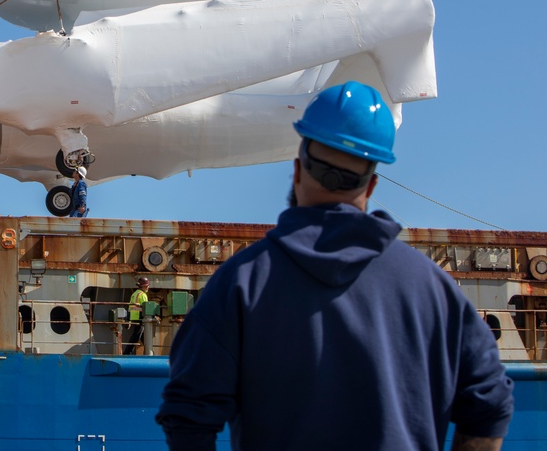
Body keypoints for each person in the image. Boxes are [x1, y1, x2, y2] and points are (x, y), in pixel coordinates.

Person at [156, 81, 513, 451]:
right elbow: (490, 402)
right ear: (372, 184)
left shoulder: (241, 283)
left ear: (298, 168)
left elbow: (188, 415)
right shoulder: (433, 289)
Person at [124, 276, 150, 355]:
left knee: (143, 337)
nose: (148, 287)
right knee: (136, 336)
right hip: (140, 317)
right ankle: (127, 352)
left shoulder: (134, 294)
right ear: (144, 286)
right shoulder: (142, 295)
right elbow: (145, 307)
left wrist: (128, 318)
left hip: (134, 316)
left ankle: (149, 351)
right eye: (147, 285)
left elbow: (130, 307)